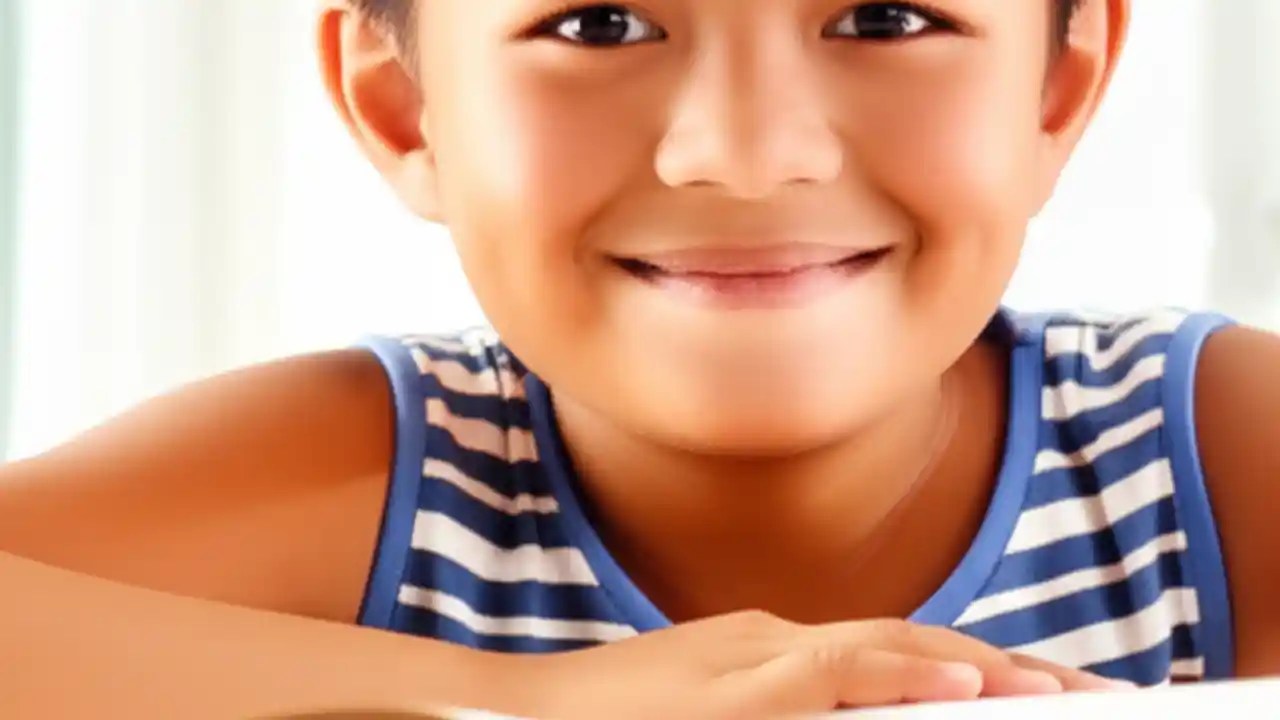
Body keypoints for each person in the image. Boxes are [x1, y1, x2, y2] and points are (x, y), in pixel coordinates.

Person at [3, 0, 1279, 717]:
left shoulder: (1199, 463)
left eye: (885, 16)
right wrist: (519, 704)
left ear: (1054, 90)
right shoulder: (382, 480)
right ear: (407, 109)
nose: (743, 150)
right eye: (599, 23)